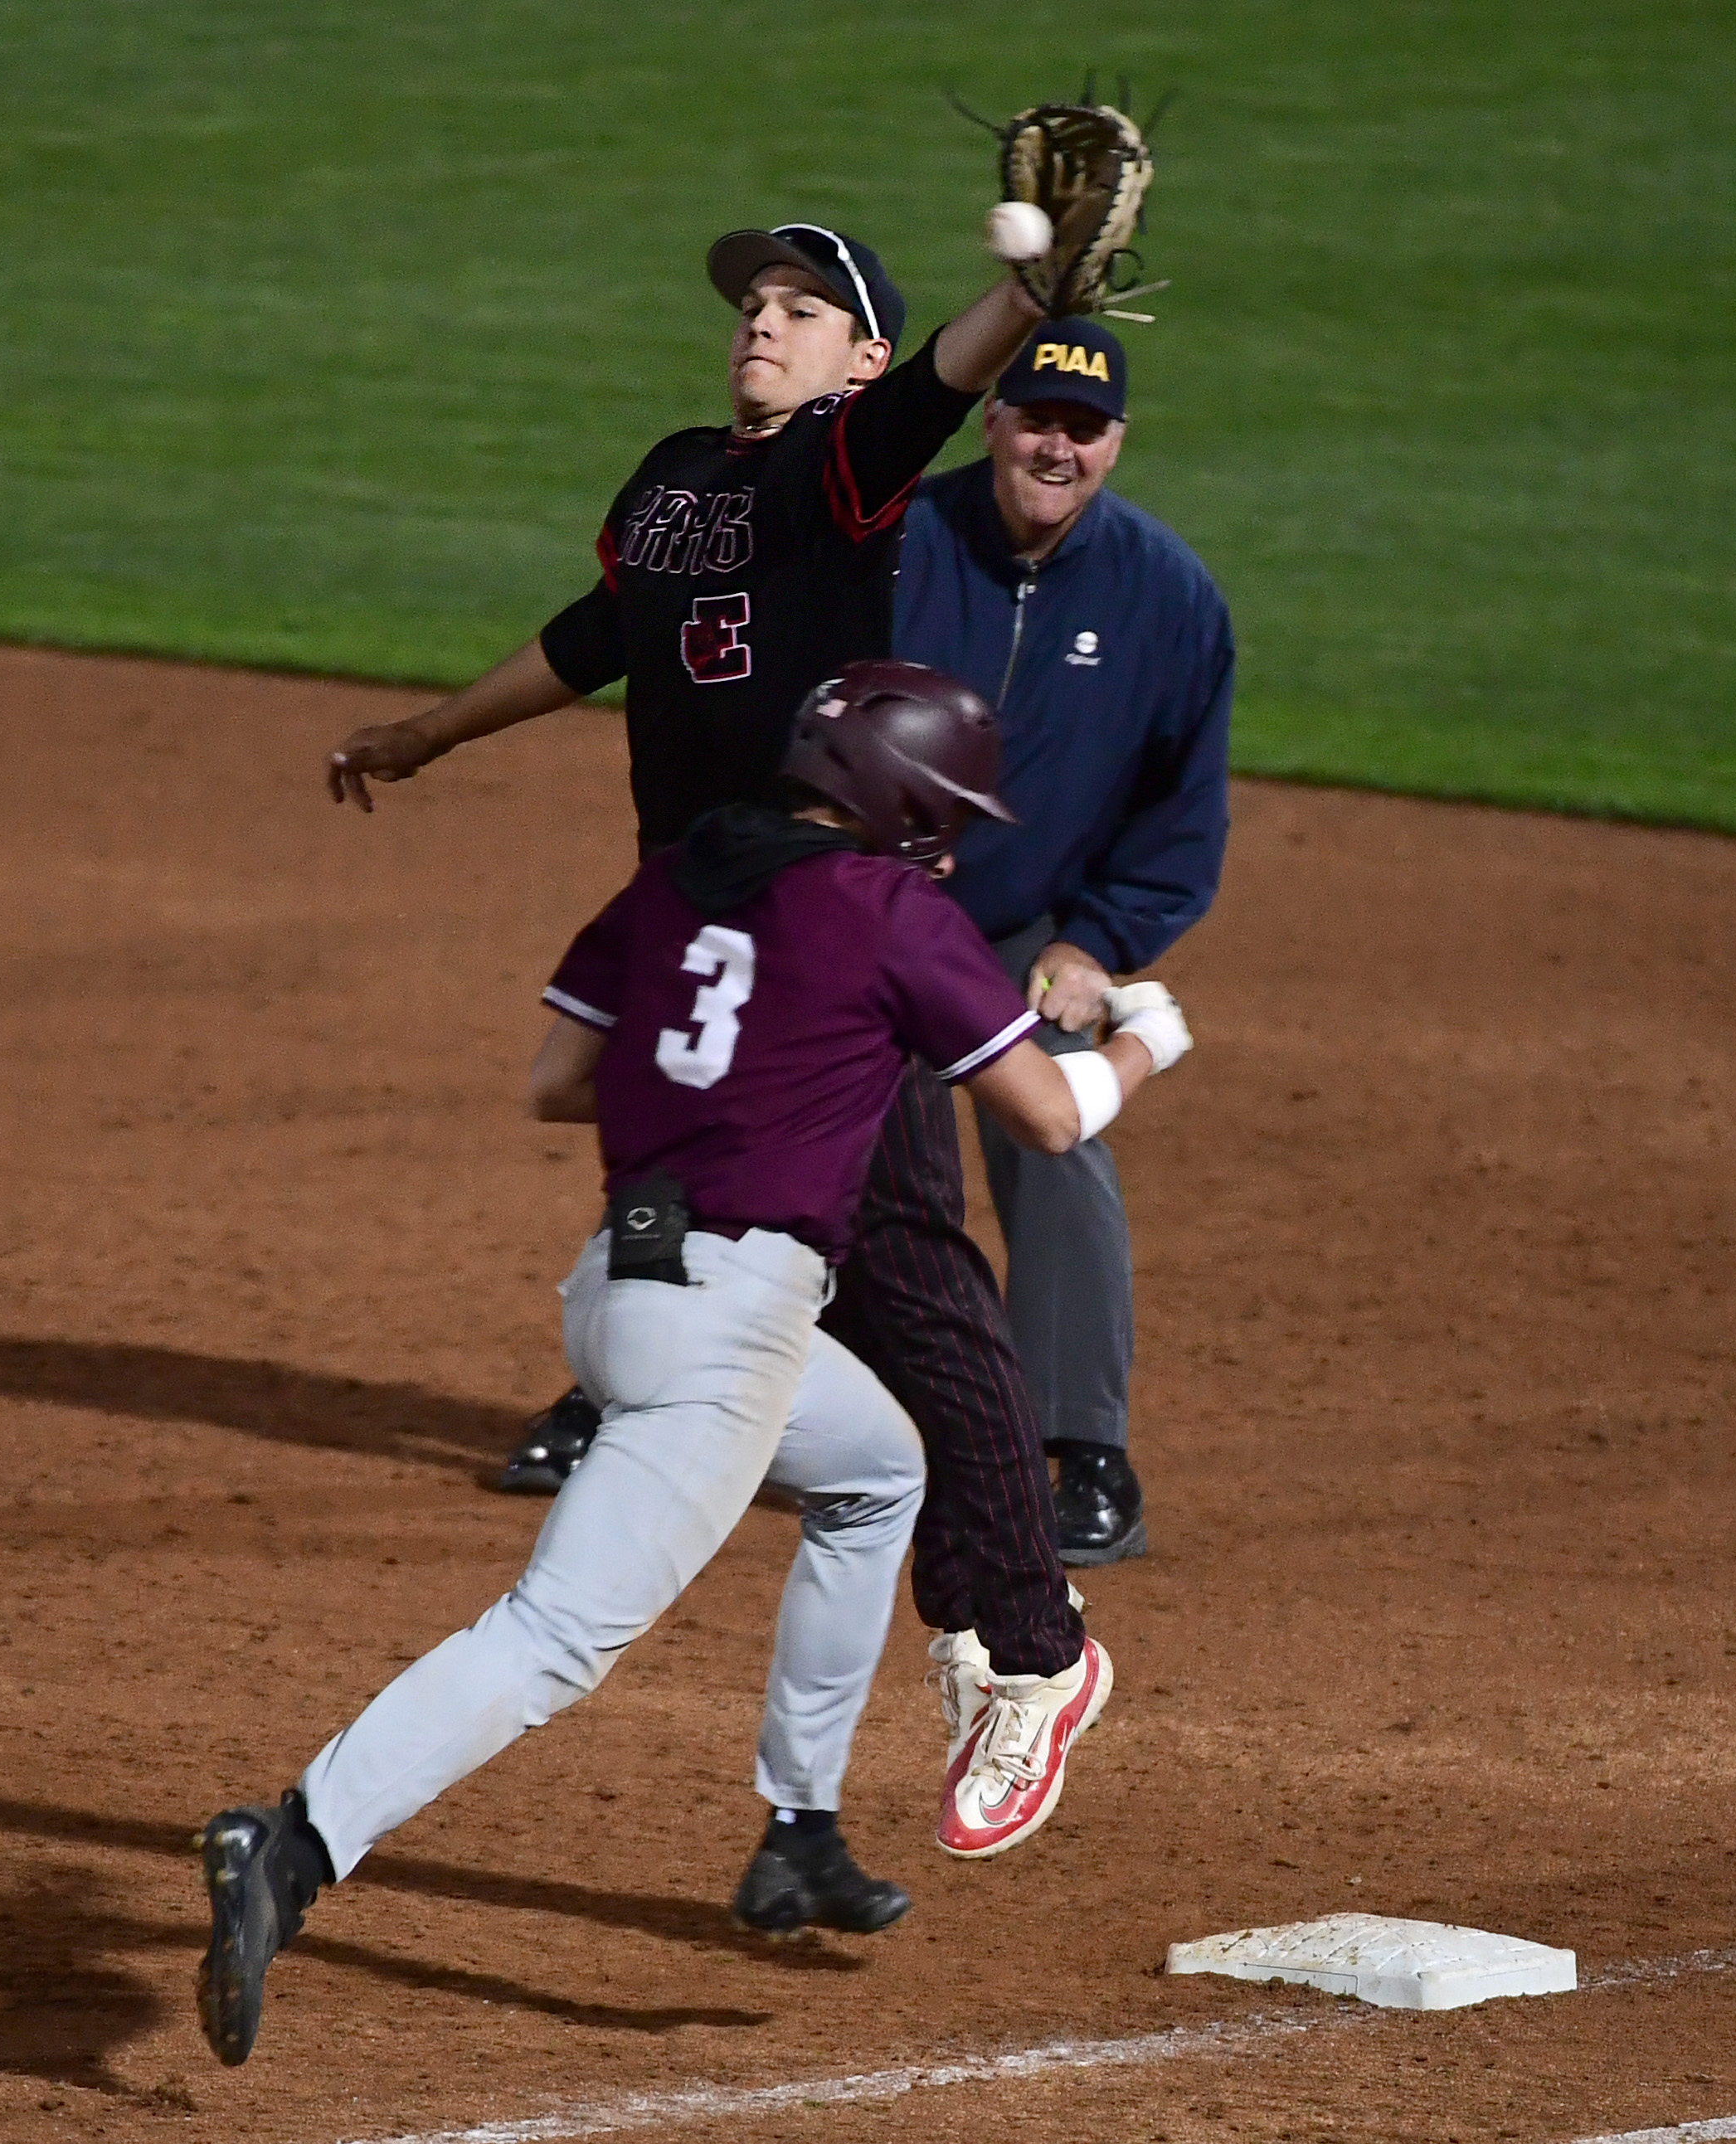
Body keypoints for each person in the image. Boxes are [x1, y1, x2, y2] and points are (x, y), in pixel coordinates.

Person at [200, 665, 1194, 2067]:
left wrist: (740, 1085)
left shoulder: (678, 877)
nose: (956, 847)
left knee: (877, 1468)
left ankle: (800, 1831)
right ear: (897, 804)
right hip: (728, 1320)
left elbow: (558, 1082)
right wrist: (1154, 1036)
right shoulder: (887, 907)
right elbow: (1047, 1114)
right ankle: (294, 1843)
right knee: (553, 1636)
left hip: (627, 1272)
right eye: (945, 814)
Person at [323, 221, 1101, 1849]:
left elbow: (948, 388)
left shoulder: (844, 464)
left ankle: (1029, 1649)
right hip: (695, 914)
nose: (766, 323)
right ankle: (977, 1611)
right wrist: (430, 735)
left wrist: (1034, 291)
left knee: (900, 1255)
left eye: (808, 310)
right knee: (816, 1252)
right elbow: (597, 640)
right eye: (755, 303)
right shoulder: (676, 476)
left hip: (821, 920)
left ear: (859, 358)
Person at [896, 316, 1233, 1566]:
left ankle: (1083, 1453)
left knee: (1056, 1122)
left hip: (1020, 928)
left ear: (1117, 443)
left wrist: (1097, 941)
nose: (1056, 446)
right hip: (860, 899)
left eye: (1082, 429)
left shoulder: (1170, 597)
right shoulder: (900, 539)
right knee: (744, 1084)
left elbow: (1182, 815)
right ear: (991, 417)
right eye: (1035, 417)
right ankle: (622, 1393)